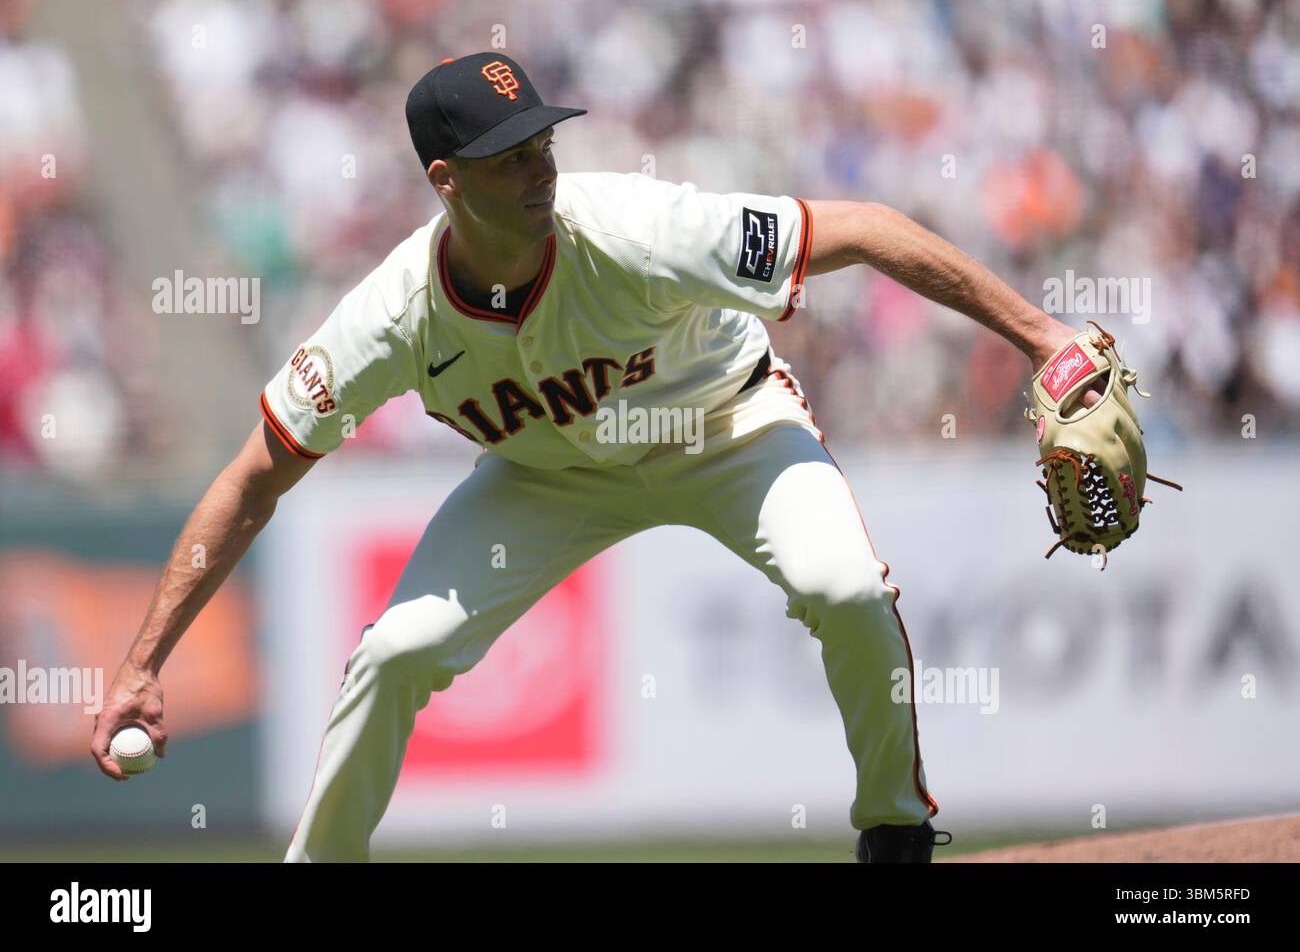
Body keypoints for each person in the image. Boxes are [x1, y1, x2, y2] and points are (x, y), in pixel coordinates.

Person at [93, 52, 1089, 863]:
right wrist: (141, 663)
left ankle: (895, 827)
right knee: (392, 653)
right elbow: (254, 477)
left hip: (723, 425)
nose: (538, 168)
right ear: (444, 181)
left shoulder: (637, 228)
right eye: (506, 156)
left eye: (540, 141)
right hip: (544, 479)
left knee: (845, 588)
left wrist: (1041, 335)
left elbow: (864, 231)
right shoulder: (392, 315)